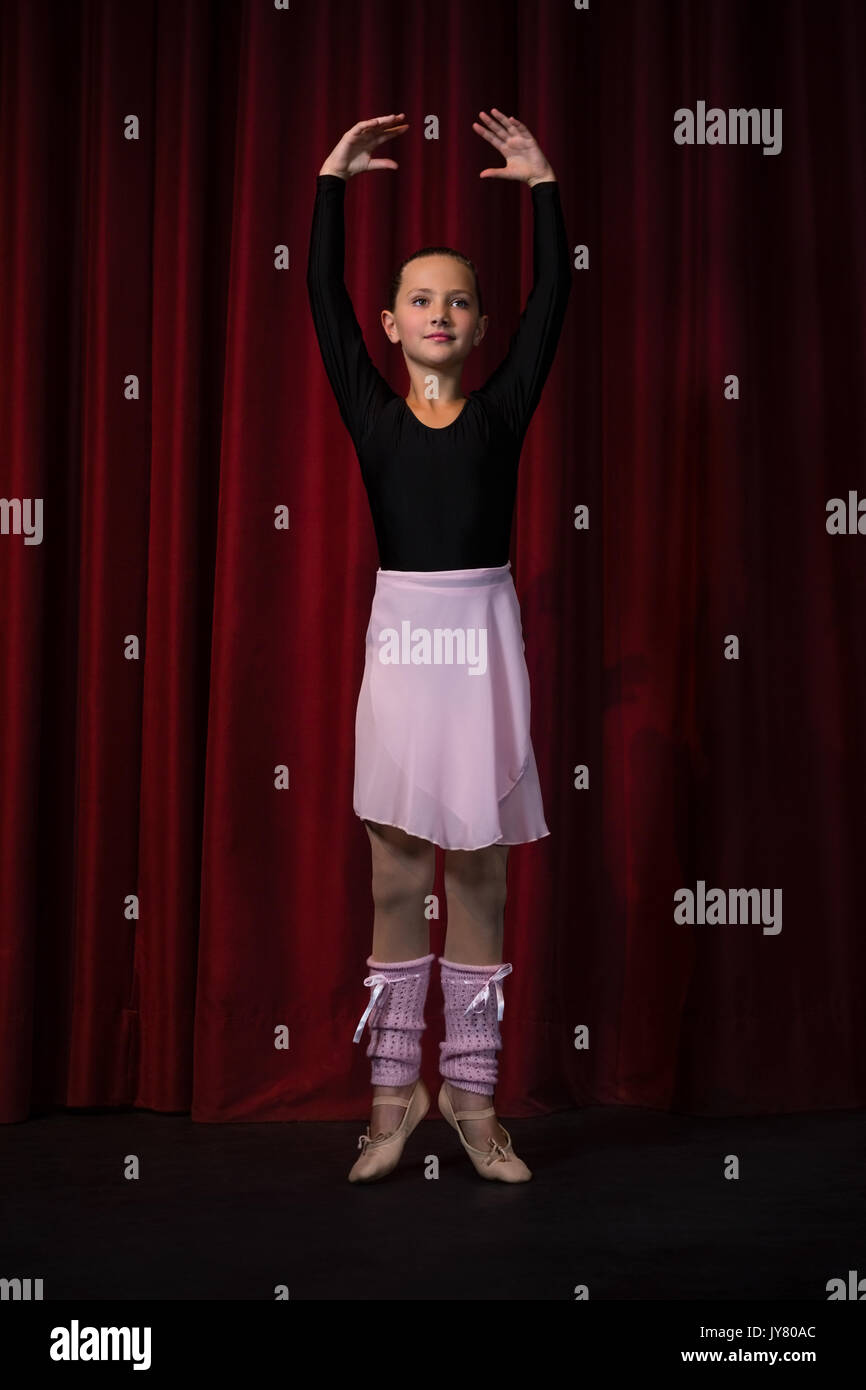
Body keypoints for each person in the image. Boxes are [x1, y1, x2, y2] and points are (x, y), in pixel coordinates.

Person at [306, 110, 571, 1183]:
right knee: (392, 871)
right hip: (406, 643)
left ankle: (470, 1094)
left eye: (457, 298)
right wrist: (331, 181)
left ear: (475, 326)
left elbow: (552, 303)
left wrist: (542, 187)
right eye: (419, 296)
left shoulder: (501, 413)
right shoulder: (370, 413)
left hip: (481, 637)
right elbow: (318, 298)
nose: (439, 310)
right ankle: (390, 1092)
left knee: (481, 877)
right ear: (390, 320)